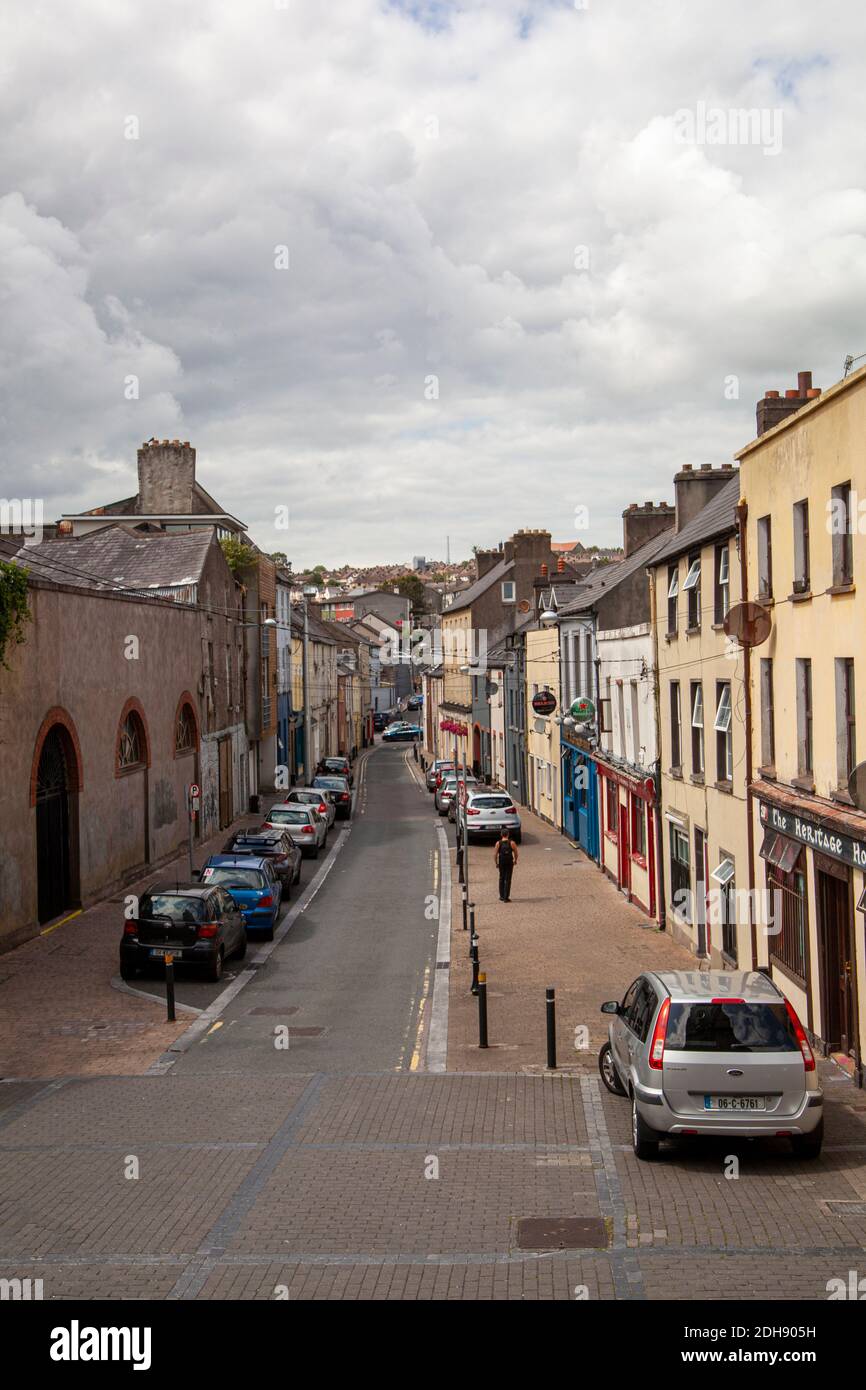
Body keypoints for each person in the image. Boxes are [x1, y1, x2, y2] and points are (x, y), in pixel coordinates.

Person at [494, 829, 518, 902]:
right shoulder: (512, 843)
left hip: (501, 862)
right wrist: (515, 860)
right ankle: (506, 897)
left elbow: (495, 854)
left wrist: (496, 863)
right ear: (508, 834)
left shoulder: (498, 843)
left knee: (501, 878)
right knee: (508, 879)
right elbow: (516, 853)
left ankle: (501, 896)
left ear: (501, 835)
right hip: (509, 862)